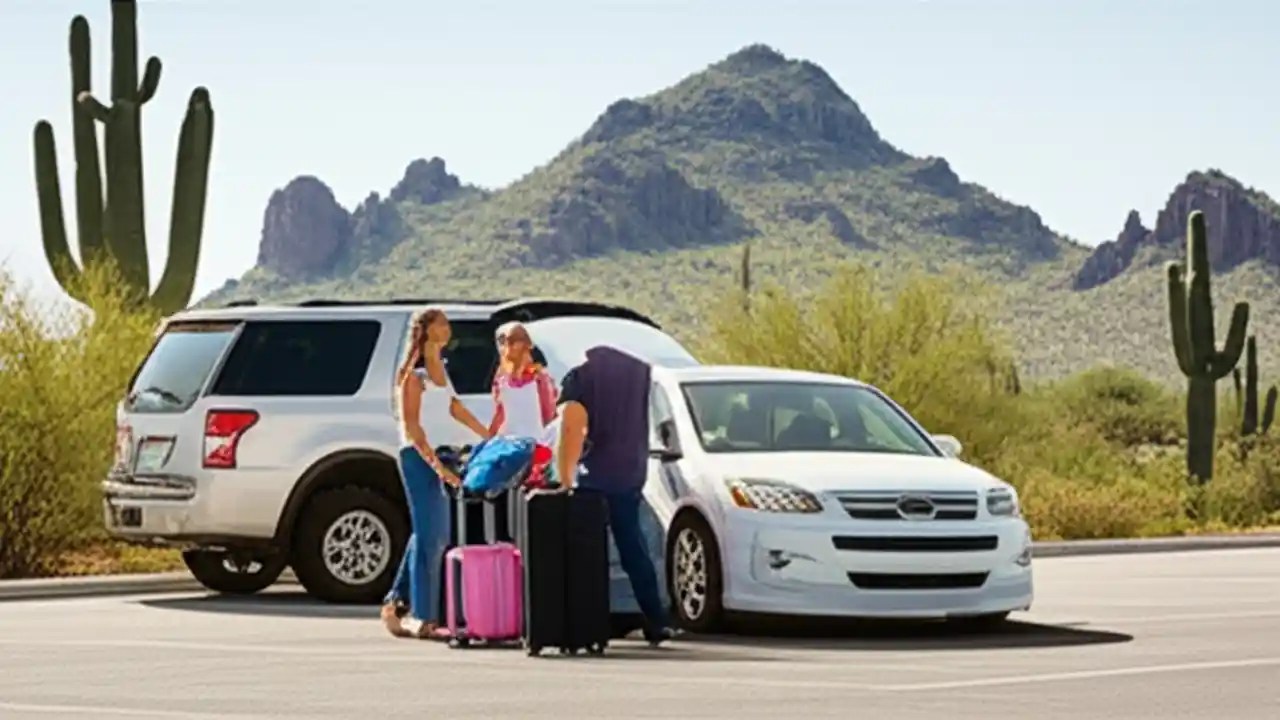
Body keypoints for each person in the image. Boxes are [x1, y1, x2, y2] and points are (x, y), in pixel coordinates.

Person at [554, 345, 679, 646]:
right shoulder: (641, 374)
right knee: (633, 547)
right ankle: (657, 620)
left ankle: (589, 619)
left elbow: (569, 424)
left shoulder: (581, 377)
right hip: (631, 471)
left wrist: (564, 476)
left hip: (592, 473)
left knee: (587, 552)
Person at [381, 308, 490, 639]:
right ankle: (423, 617)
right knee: (434, 538)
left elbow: (454, 408)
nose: (447, 327)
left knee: (428, 533)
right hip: (419, 458)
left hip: (444, 455)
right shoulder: (414, 377)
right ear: (426, 331)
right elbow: (412, 427)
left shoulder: (440, 370)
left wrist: (489, 436)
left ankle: (393, 603)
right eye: (440, 322)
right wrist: (437, 466)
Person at [487, 321, 558, 440]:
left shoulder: (539, 377)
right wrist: (489, 438)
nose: (507, 347)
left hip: (533, 443)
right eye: (504, 342)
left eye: (512, 341)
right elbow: (500, 412)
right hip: (510, 442)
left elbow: (548, 413)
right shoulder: (502, 377)